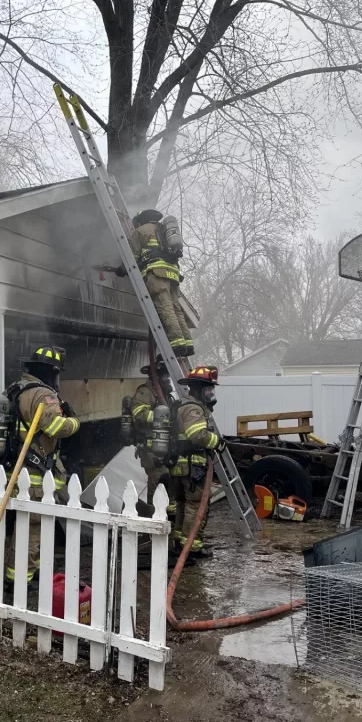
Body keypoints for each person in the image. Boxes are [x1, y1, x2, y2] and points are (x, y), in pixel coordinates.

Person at [2, 345, 80, 584]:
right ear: (50, 372)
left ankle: (23, 572)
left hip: (15, 467)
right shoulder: (43, 395)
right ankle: (18, 581)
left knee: (21, 524)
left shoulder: (15, 388)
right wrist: (74, 422)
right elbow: (56, 428)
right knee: (32, 528)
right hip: (34, 471)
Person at [120, 209, 194, 357]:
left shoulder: (140, 231)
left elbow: (133, 257)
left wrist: (121, 270)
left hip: (156, 273)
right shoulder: (162, 231)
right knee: (176, 308)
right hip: (173, 274)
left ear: (141, 221)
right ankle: (187, 344)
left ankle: (177, 344)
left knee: (165, 307)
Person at [169, 366, 223, 559]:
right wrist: (217, 441)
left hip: (181, 466)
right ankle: (192, 547)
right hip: (191, 466)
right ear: (198, 389)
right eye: (208, 389)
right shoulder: (193, 408)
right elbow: (197, 436)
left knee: (183, 505)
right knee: (196, 505)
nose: (211, 393)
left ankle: (180, 543)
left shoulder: (183, 405)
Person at [130, 357, 175, 520]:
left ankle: (167, 514)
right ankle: (152, 517)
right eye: (163, 376)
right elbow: (139, 414)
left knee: (168, 479)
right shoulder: (146, 391)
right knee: (157, 479)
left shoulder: (164, 393)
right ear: (155, 376)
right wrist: (160, 417)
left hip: (163, 445)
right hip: (149, 447)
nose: (166, 379)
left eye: (167, 376)